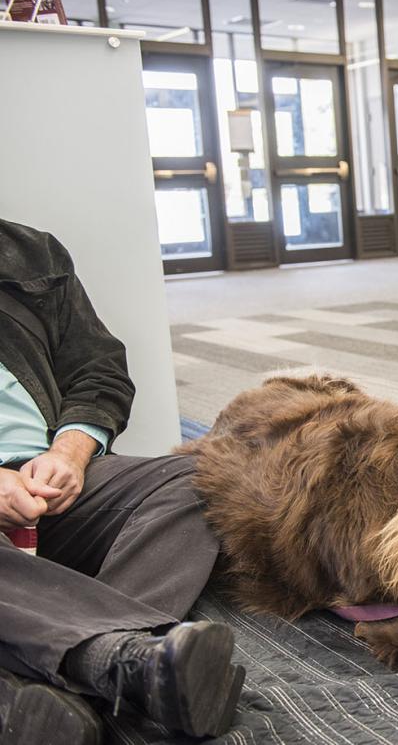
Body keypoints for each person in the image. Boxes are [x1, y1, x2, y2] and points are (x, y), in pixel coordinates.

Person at [0, 219, 243, 744]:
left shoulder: (32, 253)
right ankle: (126, 660)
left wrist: (69, 452)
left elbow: (100, 369)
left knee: (203, 478)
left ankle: (63, 682)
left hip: (49, 477)